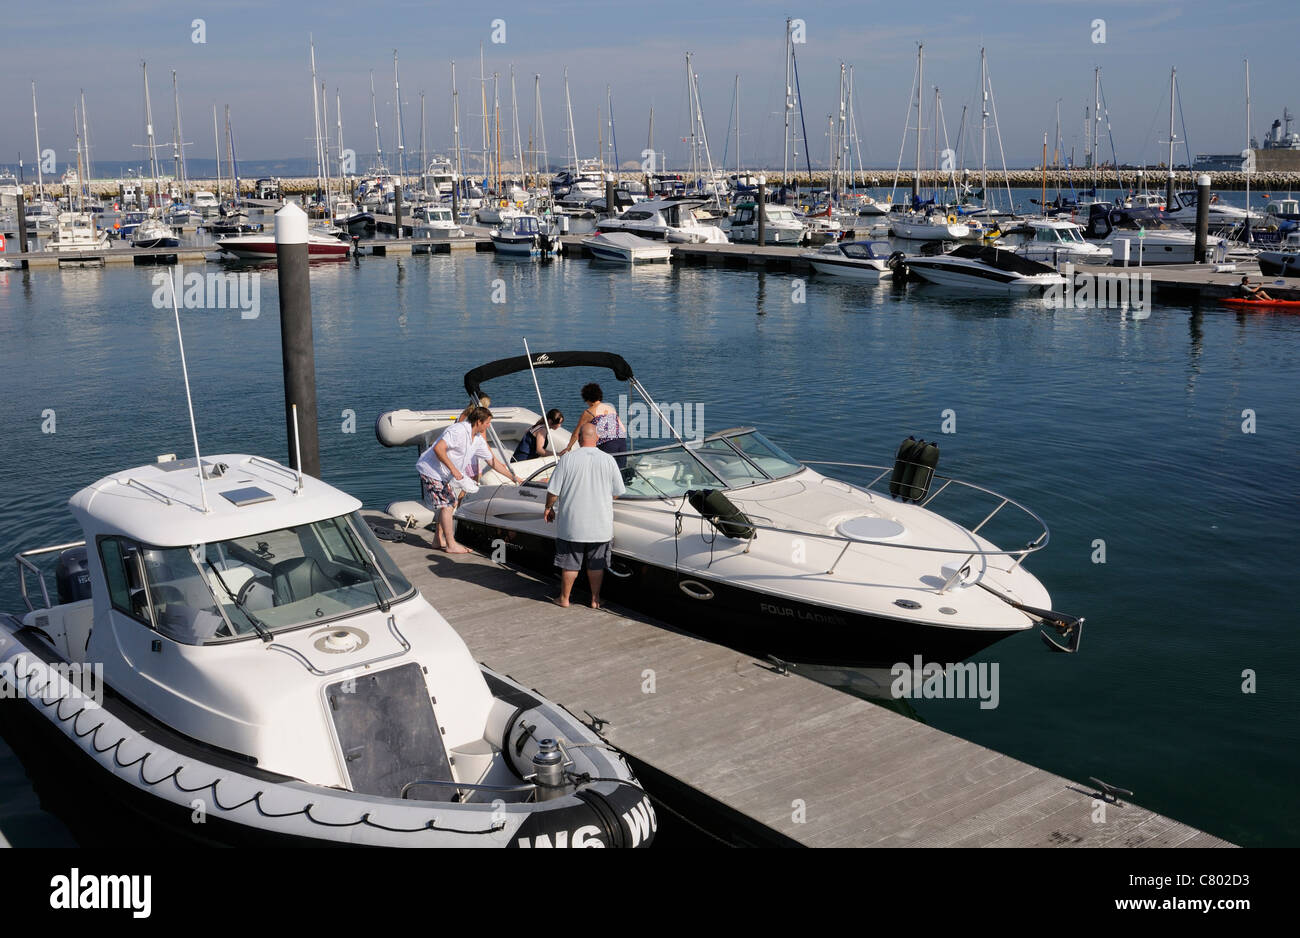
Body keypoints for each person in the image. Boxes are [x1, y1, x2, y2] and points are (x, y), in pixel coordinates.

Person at [416, 406, 521, 553]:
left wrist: (513, 477)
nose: (489, 426)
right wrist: (454, 469)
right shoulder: (458, 431)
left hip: (444, 473)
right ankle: (451, 544)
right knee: (449, 504)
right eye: (487, 423)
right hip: (431, 470)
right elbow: (438, 448)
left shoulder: (477, 440)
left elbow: (492, 462)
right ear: (479, 421)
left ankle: (437, 540)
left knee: (448, 504)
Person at [544, 423, 625, 608]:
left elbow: (553, 491)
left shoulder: (567, 459)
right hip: (600, 524)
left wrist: (548, 508)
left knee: (570, 563)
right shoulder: (608, 460)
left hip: (572, 524)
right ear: (597, 439)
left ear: (579, 439)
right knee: (596, 564)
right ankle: (595, 600)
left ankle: (564, 599)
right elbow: (618, 491)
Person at [560, 383, 627, 464]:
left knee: (604, 470)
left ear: (587, 398)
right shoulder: (610, 408)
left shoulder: (589, 412)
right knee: (621, 469)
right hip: (621, 442)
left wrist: (568, 447)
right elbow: (623, 429)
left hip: (607, 444)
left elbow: (576, 433)